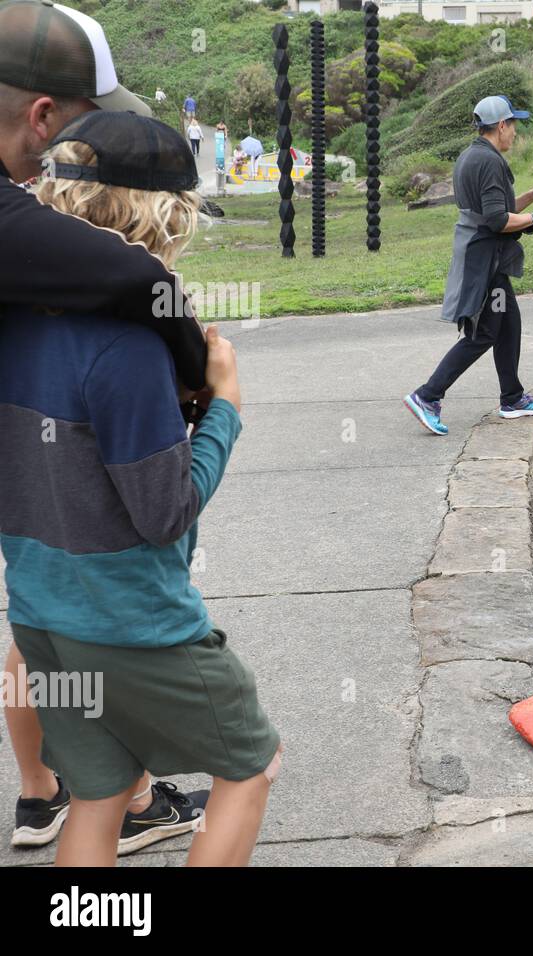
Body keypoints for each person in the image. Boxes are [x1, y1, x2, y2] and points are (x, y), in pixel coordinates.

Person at [0, 110, 282, 867]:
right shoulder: (128, 348)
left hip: (38, 619)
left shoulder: (13, 320)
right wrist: (223, 411)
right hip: (131, 621)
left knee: (98, 792)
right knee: (251, 767)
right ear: (165, 217)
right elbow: (164, 514)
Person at [0, 0, 209, 852]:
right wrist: (210, 387)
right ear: (41, 115)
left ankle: (45, 792)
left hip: (35, 566)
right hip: (116, 602)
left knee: (38, 629)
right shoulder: (115, 334)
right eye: (81, 127)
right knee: (249, 764)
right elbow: (124, 276)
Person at [404, 95, 533, 435]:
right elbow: (496, 220)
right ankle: (428, 395)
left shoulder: (472, 155)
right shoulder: (490, 162)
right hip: (486, 259)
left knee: (509, 324)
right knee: (484, 332)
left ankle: (513, 397)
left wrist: (532, 195)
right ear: (501, 125)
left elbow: (495, 209)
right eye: (514, 125)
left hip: (483, 255)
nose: (515, 133)